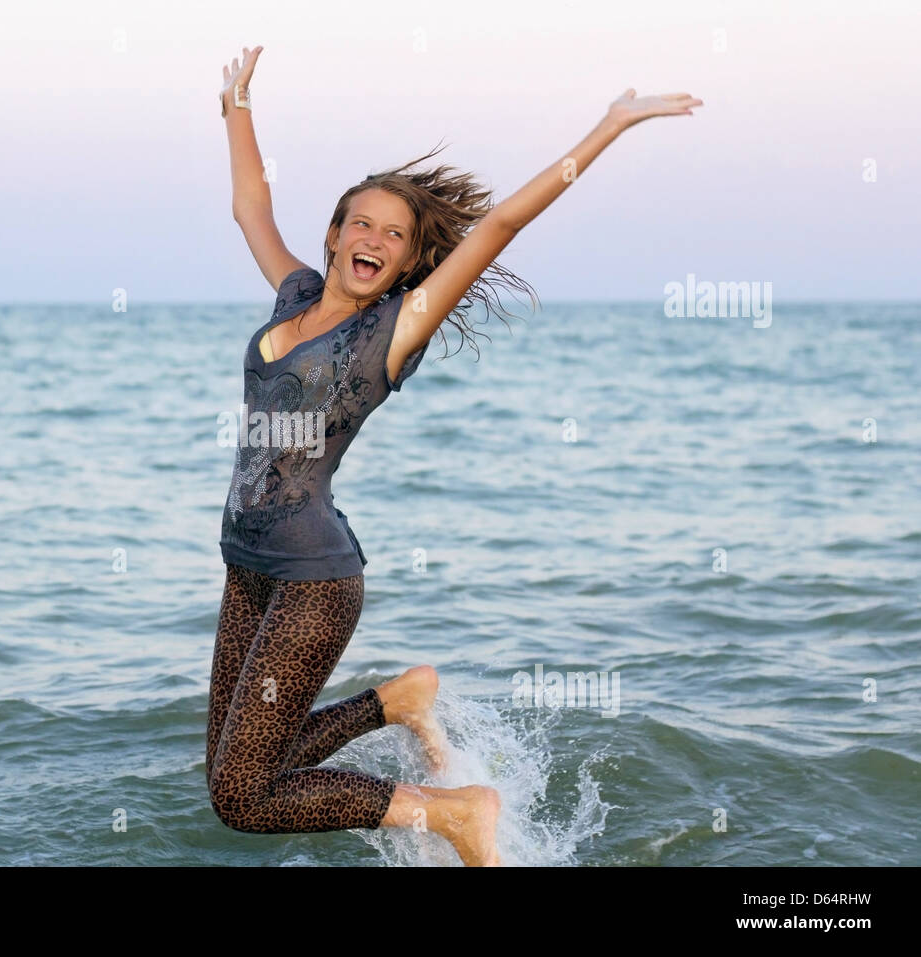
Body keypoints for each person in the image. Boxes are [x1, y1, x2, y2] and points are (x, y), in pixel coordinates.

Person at [207, 45, 702, 866]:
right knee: (242, 764)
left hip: (312, 579)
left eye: (395, 235)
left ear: (406, 262)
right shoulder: (293, 293)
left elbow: (503, 222)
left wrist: (610, 125)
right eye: (361, 222)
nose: (374, 238)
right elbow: (250, 207)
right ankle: (397, 700)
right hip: (245, 565)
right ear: (334, 236)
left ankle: (454, 812)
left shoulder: (391, 332)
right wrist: (238, 107)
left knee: (243, 793)